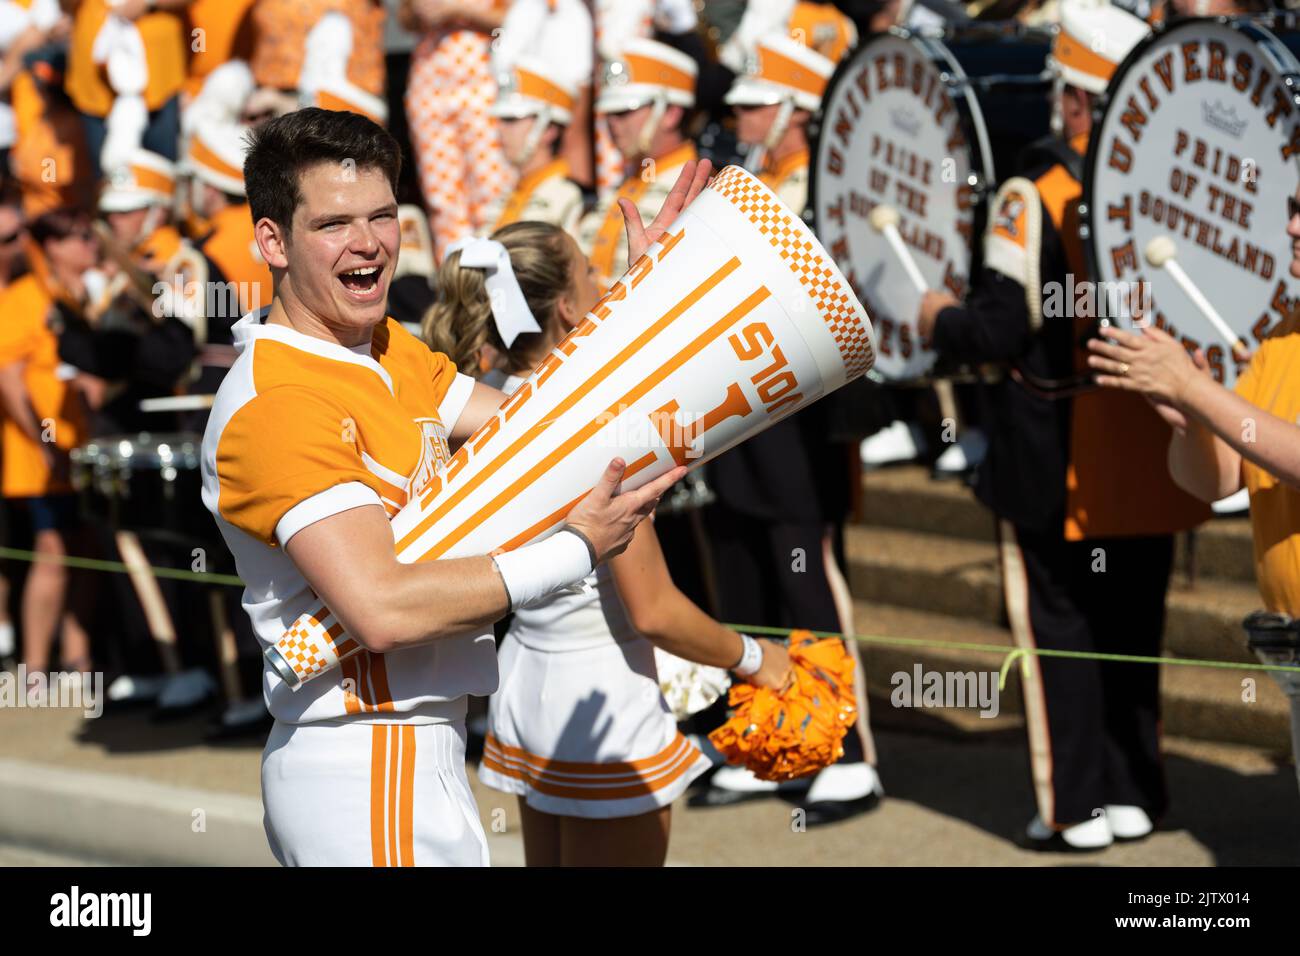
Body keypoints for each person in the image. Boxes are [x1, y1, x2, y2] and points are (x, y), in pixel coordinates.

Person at [199, 107, 688, 866]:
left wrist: (646, 306)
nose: (368, 244)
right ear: (272, 242)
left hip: (415, 756)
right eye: (333, 224)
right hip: (363, 762)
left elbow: (554, 430)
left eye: (384, 216)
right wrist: (577, 548)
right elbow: (383, 608)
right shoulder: (278, 402)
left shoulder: (386, 348)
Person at [914, 0, 1209, 850]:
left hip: (1055, 449)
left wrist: (938, 316)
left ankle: (1073, 805)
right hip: (1146, 442)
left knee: (1061, 632)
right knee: (1132, 631)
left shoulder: (1032, 190)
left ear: (1075, 98)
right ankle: (1136, 792)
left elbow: (1001, 329)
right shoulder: (1163, 187)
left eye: (1060, 90)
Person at [423, 208, 793, 866]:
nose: (605, 277)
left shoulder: (488, 399)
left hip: (527, 679)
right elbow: (654, 611)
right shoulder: (595, 435)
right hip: (606, 699)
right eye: (592, 271)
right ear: (569, 309)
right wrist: (755, 659)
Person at [686, 36, 884, 824]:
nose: (739, 117)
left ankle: (850, 749)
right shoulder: (751, 184)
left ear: (799, 111)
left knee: (805, 577)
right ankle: (775, 741)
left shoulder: (826, 190)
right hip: (739, 408)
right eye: (735, 104)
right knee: (743, 572)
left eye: (756, 104)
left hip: (800, 419)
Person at [1084, 183, 1300, 790]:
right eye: (1292, 209)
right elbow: (1217, 481)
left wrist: (1197, 391)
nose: (1291, 228)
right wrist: (1190, 425)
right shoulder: (1284, 336)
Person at [0, 206, 97, 682]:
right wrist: (44, 441)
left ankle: (77, 658)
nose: (89, 244)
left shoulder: (87, 291)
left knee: (87, 551)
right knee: (52, 549)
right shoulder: (25, 297)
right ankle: (35, 667)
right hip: (43, 451)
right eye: (77, 236)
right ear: (52, 246)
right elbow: (9, 378)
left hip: (87, 446)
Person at [578, 37, 699, 290]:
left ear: (671, 113)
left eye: (624, 112)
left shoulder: (698, 190)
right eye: (609, 114)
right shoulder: (625, 182)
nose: (613, 123)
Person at [400, 0, 515, 260]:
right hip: (430, 81)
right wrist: (419, 11)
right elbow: (404, 19)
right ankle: (456, 284)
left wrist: (459, 9)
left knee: (492, 187)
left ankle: (501, 275)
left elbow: (521, 19)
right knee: (442, 198)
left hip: (483, 76)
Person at [481, 57, 584, 236]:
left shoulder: (568, 195)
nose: (500, 129)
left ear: (548, 130)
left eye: (511, 120)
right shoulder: (506, 197)